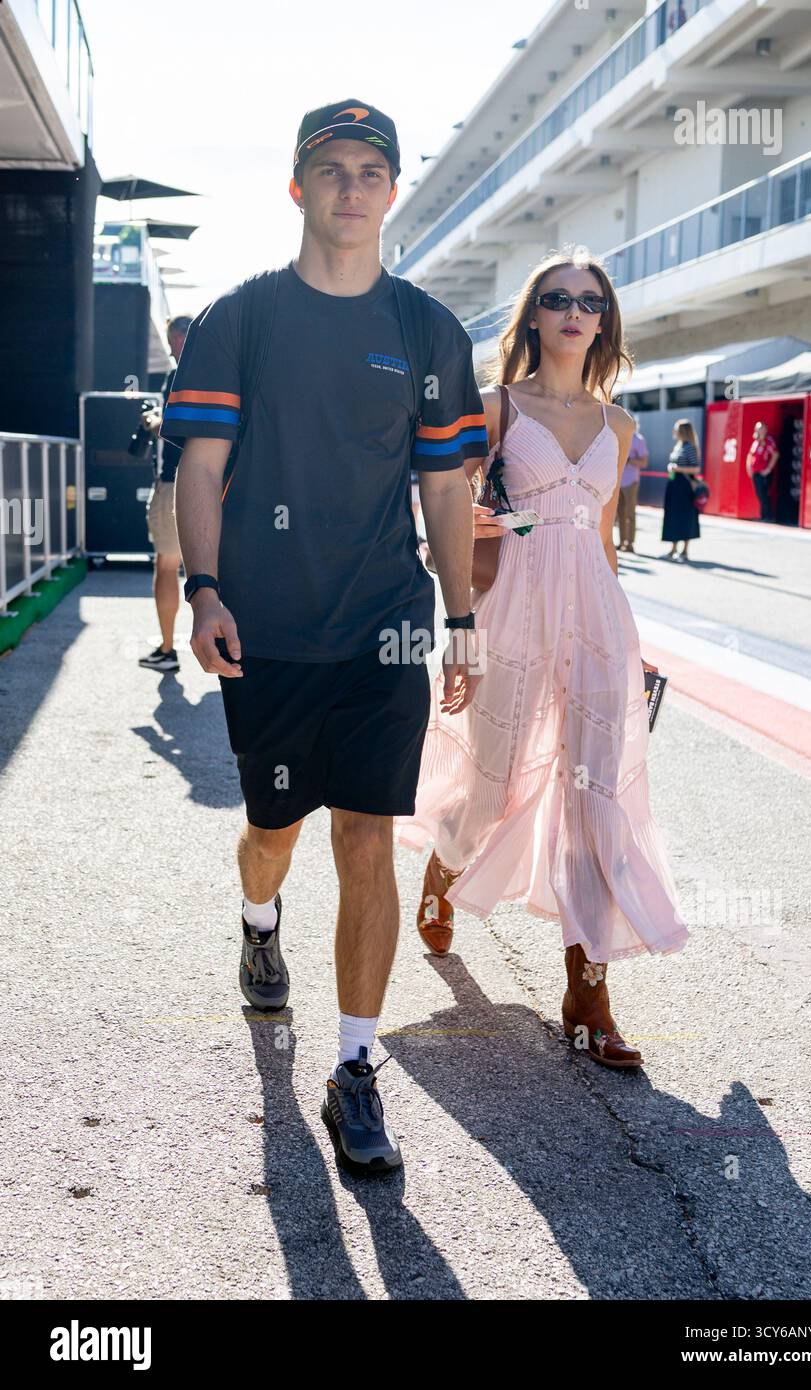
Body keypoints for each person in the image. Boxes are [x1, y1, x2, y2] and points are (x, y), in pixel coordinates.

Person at [159, 100, 487, 1175]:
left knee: (364, 837)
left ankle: (355, 1070)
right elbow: (198, 468)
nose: (351, 188)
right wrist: (204, 591)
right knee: (275, 828)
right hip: (267, 623)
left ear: (391, 191)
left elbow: (446, 484)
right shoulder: (239, 319)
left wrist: (459, 616)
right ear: (297, 189)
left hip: (382, 625)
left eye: (370, 171)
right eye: (331, 170)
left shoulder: (428, 331)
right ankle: (259, 918)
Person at [396, 249, 689, 1071]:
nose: (572, 310)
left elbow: (601, 542)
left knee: (597, 799)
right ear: (533, 315)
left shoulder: (620, 426)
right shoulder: (495, 410)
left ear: (604, 320)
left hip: (595, 620)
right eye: (556, 297)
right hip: (511, 614)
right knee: (490, 783)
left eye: (587, 301)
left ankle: (588, 992)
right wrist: (461, 615)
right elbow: (444, 516)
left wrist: (627, 645)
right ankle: (444, 867)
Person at [138, 314, 192, 672]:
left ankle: (168, 649)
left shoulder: (180, 374)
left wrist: (152, 421)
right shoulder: (221, 369)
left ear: (177, 338)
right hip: (214, 482)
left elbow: (173, 428)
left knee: (167, 565)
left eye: (173, 341)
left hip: (175, 483)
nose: (173, 350)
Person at [661, 418, 701, 561]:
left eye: (676, 429)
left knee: (685, 517)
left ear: (682, 431)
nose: (674, 432)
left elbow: (696, 468)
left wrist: (677, 468)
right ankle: (673, 549)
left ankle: (684, 551)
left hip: (684, 487)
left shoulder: (690, 447)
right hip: (674, 485)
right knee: (673, 516)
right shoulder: (679, 446)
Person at [616, 416, 647, 552]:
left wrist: (629, 460)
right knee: (619, 514)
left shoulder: (638, 440)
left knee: (630, 514)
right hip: (618, 481)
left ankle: (630, 543)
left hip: (631, 482)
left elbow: (644, 462)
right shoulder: (618, 437)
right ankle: (621, 541)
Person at [745, 421, 779, 523]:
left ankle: (768, 517)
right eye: (759, 429)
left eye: (763, 429)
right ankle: (763, 515)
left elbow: (775, 454)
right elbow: (750, 455)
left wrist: (768, 469)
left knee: (764, 494)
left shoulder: (769, 442)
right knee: (759, 494)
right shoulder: (756, 442)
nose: (761, 431)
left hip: (763, 473)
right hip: (755, 472)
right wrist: (749, 468)